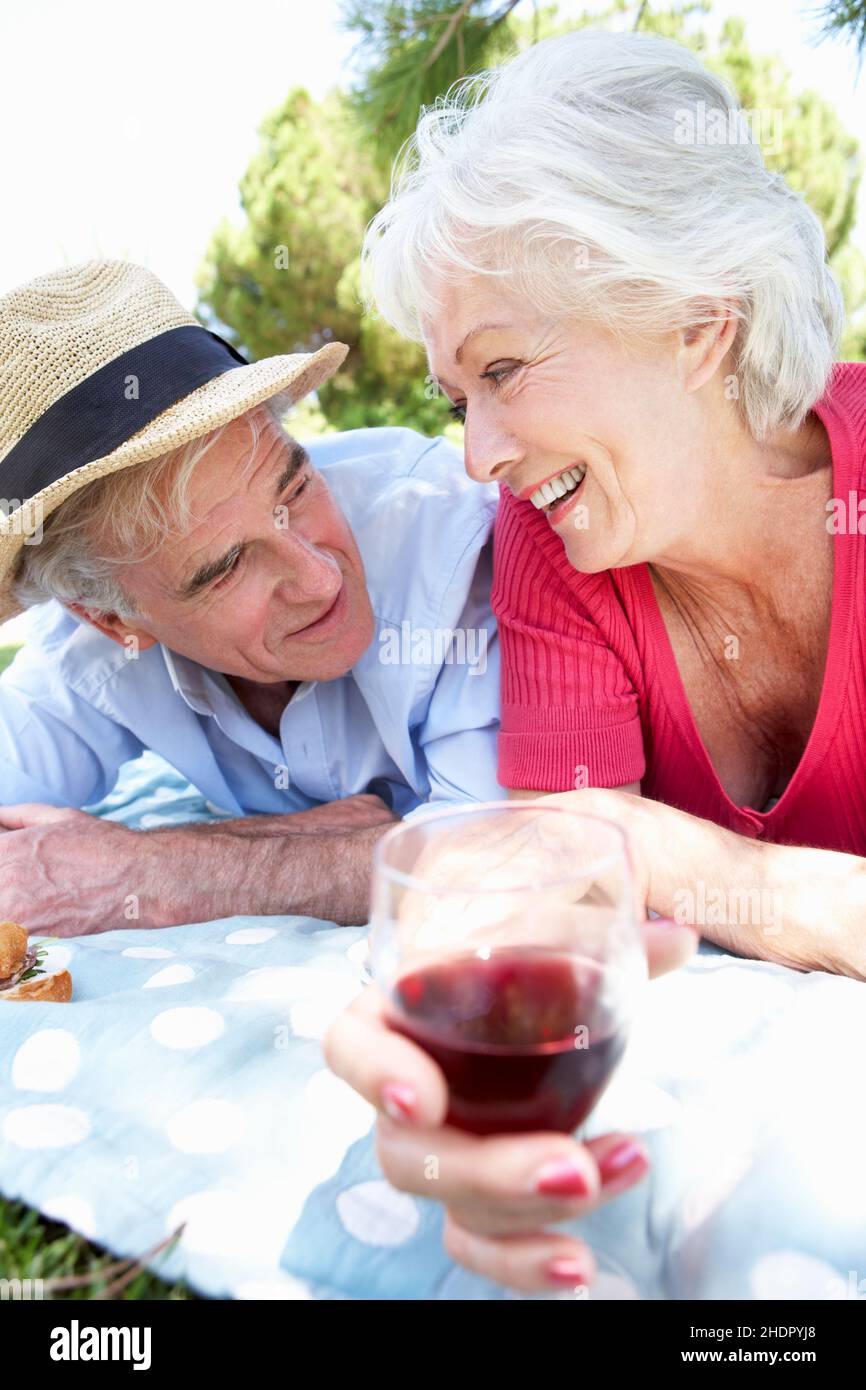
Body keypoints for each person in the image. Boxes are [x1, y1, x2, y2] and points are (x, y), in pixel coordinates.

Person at [326, 27, 866, 1294]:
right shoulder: (548, 539)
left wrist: (698, 866)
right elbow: (571, 852)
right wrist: (442, 1000)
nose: (476, 452)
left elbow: (622, 845)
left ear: (693, 319)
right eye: (460, 396)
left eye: (503, 370)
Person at [0, 258, 501, 934]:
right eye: (228, 565)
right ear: (111, 616)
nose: (320, 577)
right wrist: (322, 844)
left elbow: (506, 863)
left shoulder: (451, 536)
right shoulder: (86, 654)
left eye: (294, 490)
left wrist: (152, 870)